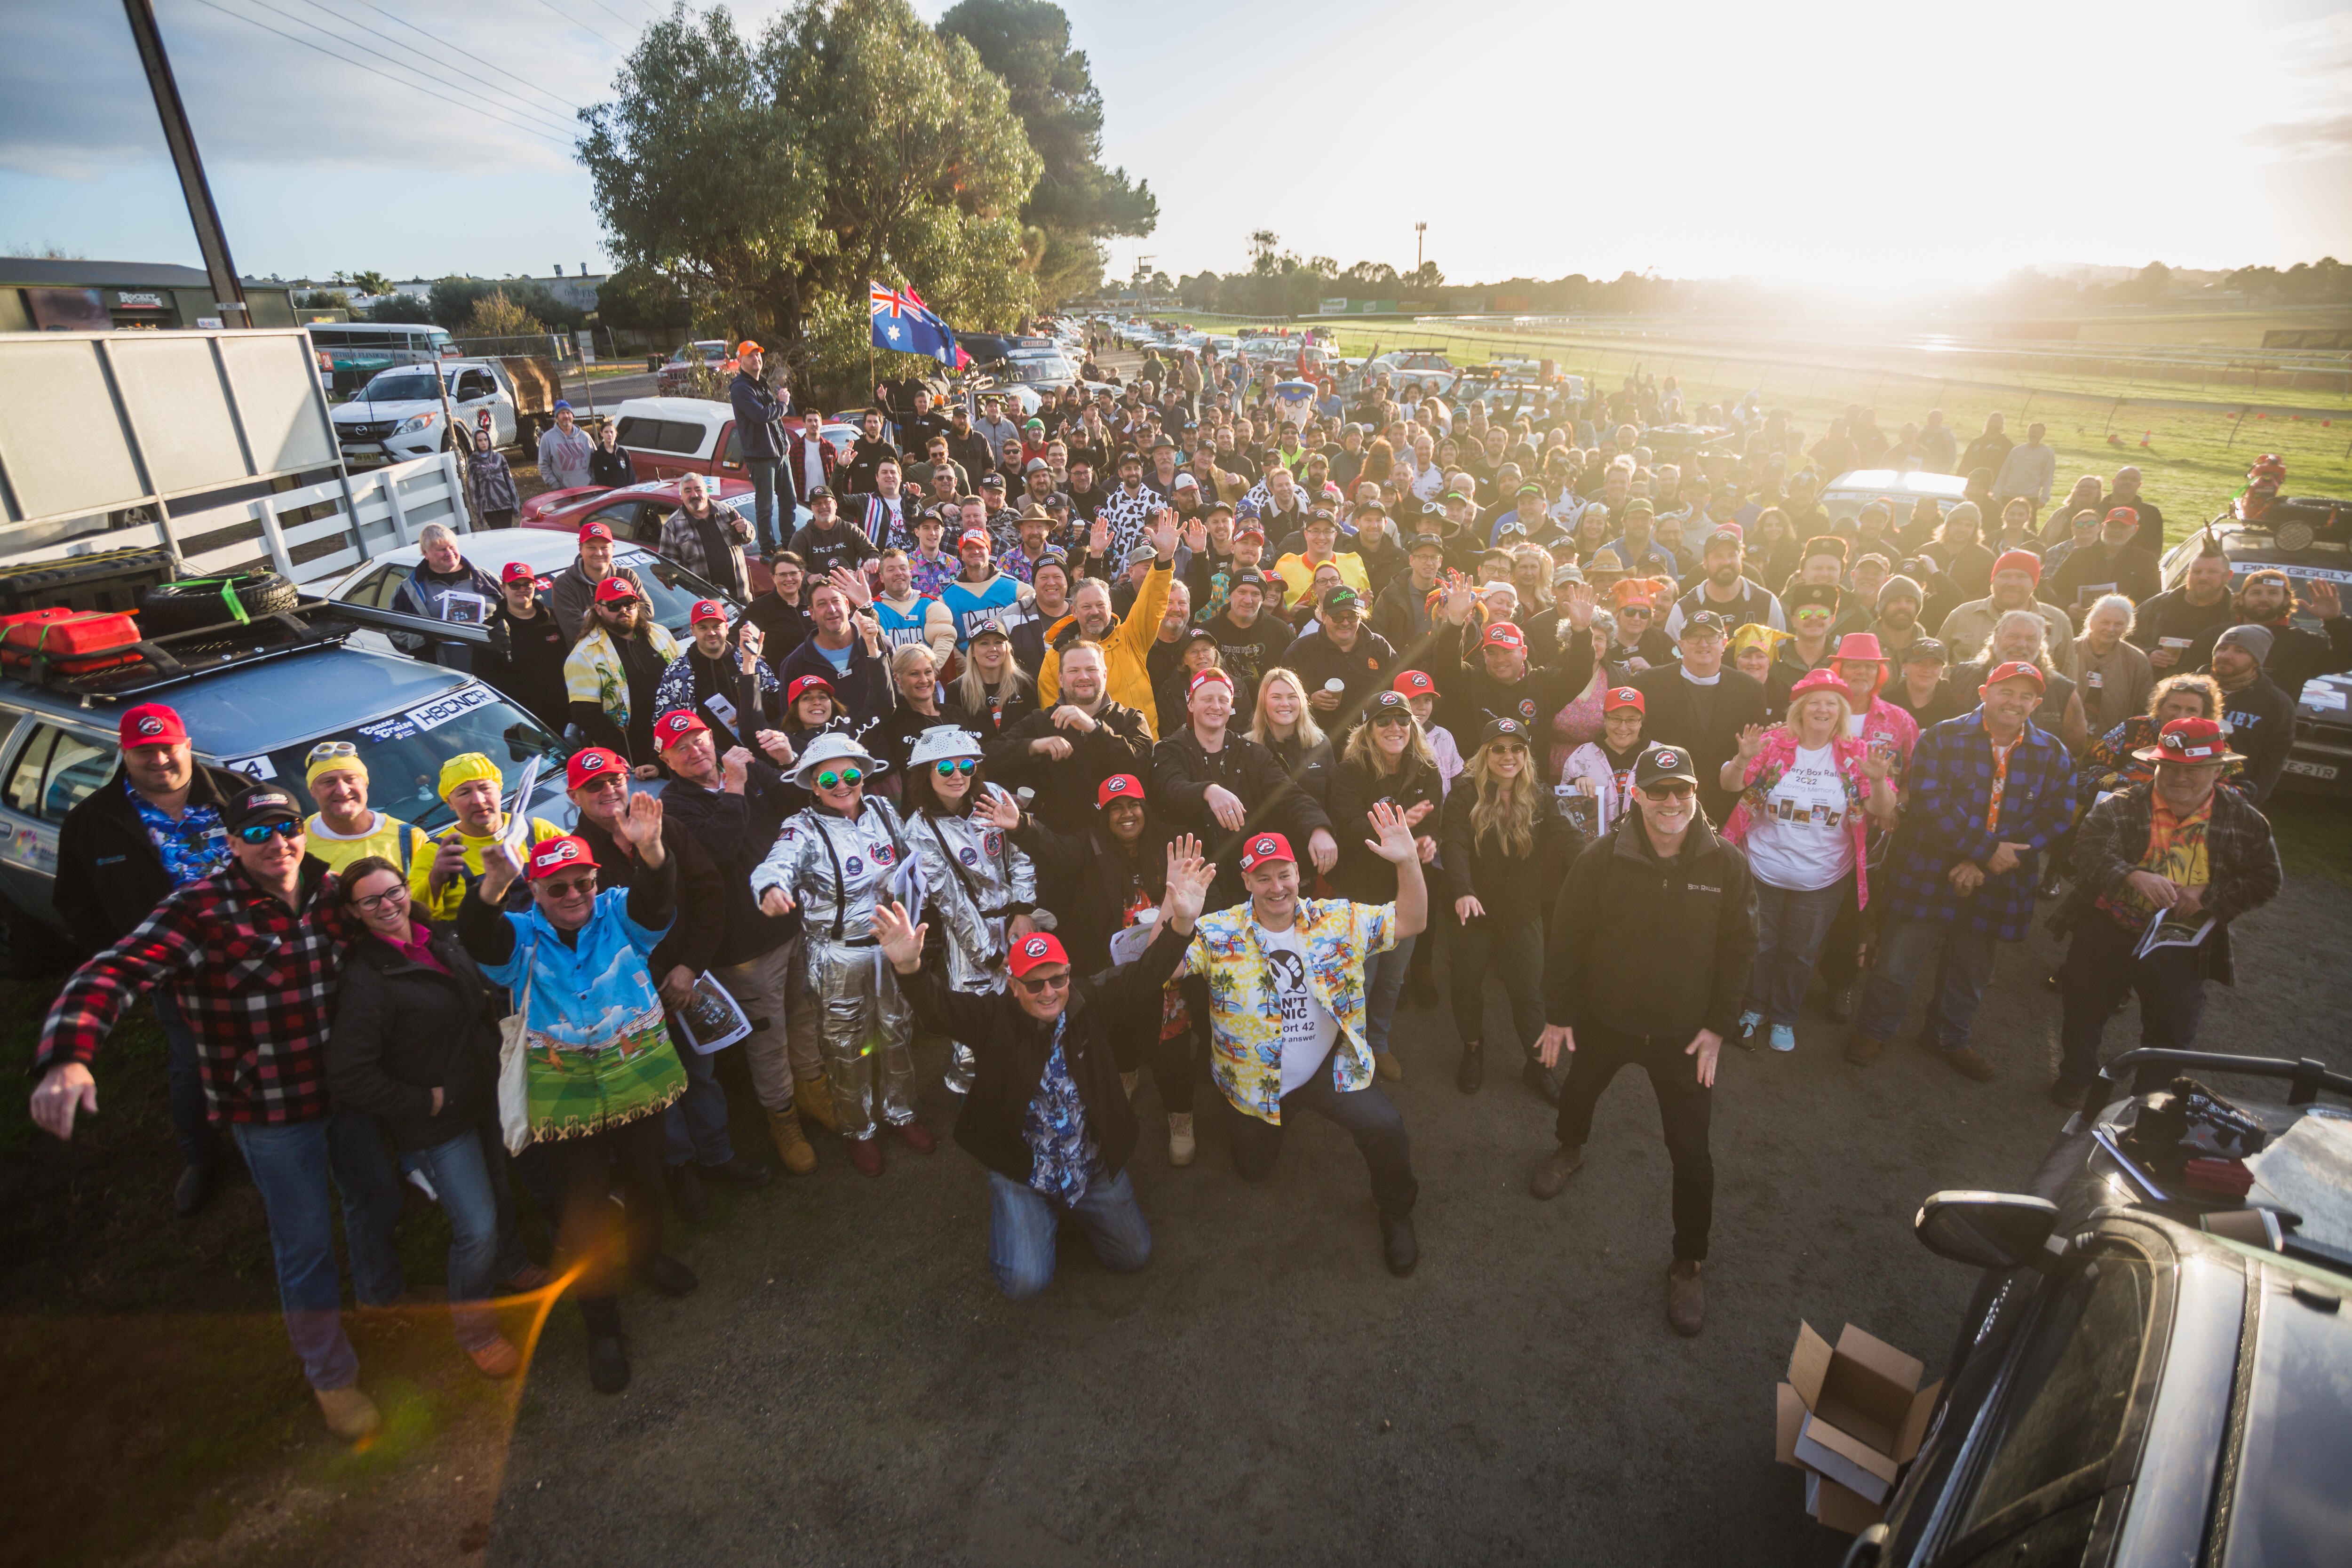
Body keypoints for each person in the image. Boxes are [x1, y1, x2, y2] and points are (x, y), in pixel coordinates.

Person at [33, 780, 403, 1438]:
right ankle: (330, 1375)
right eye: (257, 833)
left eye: (286, 827)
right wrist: (69, 1054)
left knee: (375, 1197)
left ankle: (382, 1303)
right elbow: (112, 972)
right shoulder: (199, 910)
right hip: (270, 1110)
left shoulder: (330, 890)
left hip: (350, 1095)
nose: (277, 843)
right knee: (306, 1245)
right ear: (231, 843)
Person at [877, 839, 1210, 1298]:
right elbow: (938, 1012)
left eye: (1057, 978)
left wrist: (1183, 920)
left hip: (1090, 1163)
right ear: (1014, 986)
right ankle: (1030, 1213)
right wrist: (910, 969)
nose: (1049, 991)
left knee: (1132, 1256)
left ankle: (1067, 1214)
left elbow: (1146, 973)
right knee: (1024, 1282)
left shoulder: (1090, 999)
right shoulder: (992, 1018)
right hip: (1023, 1172)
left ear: (1068, 974)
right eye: (1034, 983)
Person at [457, 805, 695, 1394]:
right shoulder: (517, 935)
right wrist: (492, 883)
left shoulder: (619, 913)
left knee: (646, 1179)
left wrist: (654, 851)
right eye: (557, 886)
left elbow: (657, 904)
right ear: (533, 889)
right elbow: (476, 935)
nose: (573, 895)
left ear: (598, 881)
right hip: (565, 1093)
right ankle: (602, 1327)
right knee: (582, 1210)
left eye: (583, 882)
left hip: (635, 1073)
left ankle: (645, 1258)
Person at [1533, 743, 1757, 1337]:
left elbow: (1739, 949)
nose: (1670, 802)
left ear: (1695, 795)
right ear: (1635, 795)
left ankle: (1688, 1262)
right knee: (1577, 1095)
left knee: (1691, 1153)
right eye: (1658, 791)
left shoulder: (1727, 865)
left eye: (1681, 790)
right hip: (1606, 1020)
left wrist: (1718, 1026)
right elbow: (1567, 938)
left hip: (1683, 1038)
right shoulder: (1599, 858)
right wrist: (1558, 1015)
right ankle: (1569, 1148)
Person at [1174, 805, 1430, 1275]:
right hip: (1255, 1086)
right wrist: (1177, 917)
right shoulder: (1217, 931)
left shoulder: (1337, 921)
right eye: (1263, 877)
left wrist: (1408, 862)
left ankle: (1396, 1213)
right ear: (1246, 881)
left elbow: (1410, 922)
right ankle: (1266, 1123)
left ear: (1300, 875)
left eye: (1285, 874)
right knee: (1252, 1171)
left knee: (1386, 1127)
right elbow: (1162, 969)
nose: (1277, 888)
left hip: (1326, 1071)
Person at [326, 856, 541, 1378]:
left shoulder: (437, 938)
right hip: (436, 1123)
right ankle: (475, 1330)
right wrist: (425, 1102)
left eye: (393, 891)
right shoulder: (366, 979)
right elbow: (350, 1073)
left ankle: (512, 1266)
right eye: (371, 901)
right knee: (476, 1226)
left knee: (499, 1190)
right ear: (353, 913)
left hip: (483, 1095)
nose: (388, 905)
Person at [52, 703, 249, 1213]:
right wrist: (128, 961)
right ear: (125, 754)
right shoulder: (93, 821)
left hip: (260, 954)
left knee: (274, 1046)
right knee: (191, 1067)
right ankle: (201, 1156)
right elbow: (76, 903)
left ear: (186, 745)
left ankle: (283, 1135)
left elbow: (288, 852)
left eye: (167, 747)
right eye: (145, 752)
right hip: (176, 976)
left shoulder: (236, 794)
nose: (159, 759)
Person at [563, 743, 767, 1216]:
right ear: (575, 796)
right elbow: (586, 935)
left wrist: (689, 968)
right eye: (594, 786)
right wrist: (654, 982)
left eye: (614, 779)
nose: (609, 791)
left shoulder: (663, 824)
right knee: (659, 1089)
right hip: (630, 998)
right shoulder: (575, 855)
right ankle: (681, 1170)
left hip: (687, 980)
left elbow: (707, 891)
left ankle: (718, 1155)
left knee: (702, 1075)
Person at [1845, 661, 2076, 1079]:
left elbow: (2056, 816)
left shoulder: (2052, 752)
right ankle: (1874, 1031)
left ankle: (1949, 1037)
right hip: (1931, 867)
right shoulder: (1942, 737)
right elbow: (1932, 803)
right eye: (2007, 691)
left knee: (1971, 972)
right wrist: (1986, 850)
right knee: (1896, 964)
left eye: (2026, 695)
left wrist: (1988, 859)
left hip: (2002, 876)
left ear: (2037, 703)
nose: (2015, 701)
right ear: (1985, 692)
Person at [2049, 717, 2282, 1107]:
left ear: (2217, 769)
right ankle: (2077, 1076)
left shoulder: (2244, 819)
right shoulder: (2123, 804)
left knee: (2172, 1028)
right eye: (2169, 766)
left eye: (2192, 770)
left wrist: (2209, 897)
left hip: (2182, 940)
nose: (2179, 777)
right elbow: (2084, 850)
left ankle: (2147, 1100)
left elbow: (2267, 879)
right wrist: (2131, 875)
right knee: (2084, 1007)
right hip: (2110, 925)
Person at [751, 733, 932, 1176]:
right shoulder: (803, 828)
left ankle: (902, 1111)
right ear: (812, 784)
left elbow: (917, 856)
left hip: (893, 948)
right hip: (838, 956)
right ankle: (860, 1130)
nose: (841, 784)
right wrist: (770, 888)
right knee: (846, 1048)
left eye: (851, 774)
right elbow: (776, 863)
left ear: (863, 776)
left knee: (897, 1032)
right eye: (828, 777)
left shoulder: (884, 811)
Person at [654, 709, 820, 1174]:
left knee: (804, 1014)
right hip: (743, 947)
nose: (694, 751)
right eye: (680, 747)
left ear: (711, 737)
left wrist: (788, 760)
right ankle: (782, 1117)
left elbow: (797, 805)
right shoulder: (673, 806)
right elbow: (717, 851)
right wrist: (734, 786)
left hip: (790, 923)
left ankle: (814, 1092)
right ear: (666, 759)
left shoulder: (744, 767)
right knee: (768, 1037)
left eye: (698, 739)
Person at [1718, 669, 1899, 1053]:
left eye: (1831, 703)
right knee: (1761, 943)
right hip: (1762, 867)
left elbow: (1882, 810)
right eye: (1814, 701)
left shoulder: (1858, 753)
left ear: (1841, 711)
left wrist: (1880, 781)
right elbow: (1730, 784)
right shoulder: (1772, 743)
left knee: (1800, 951)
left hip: (1823, 875)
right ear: (1800, 709)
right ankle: (1753, 1010)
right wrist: (1741, 758)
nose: (1822, 708)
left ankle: (1784, 1015)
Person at [1443, 716, 1581, 1099]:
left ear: (1526, 753)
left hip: (1523, 913)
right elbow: (1452, 844)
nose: (1508, 755)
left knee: (1529, 993)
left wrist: (1602, 874)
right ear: (1485, 753)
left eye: (1517, 748)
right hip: (1473, 912)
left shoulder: (1541, 794)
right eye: (1499, 748)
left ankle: (1537, 1066)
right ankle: (1473, 1049)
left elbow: (1572, 841)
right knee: (1467, 986)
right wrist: (1462, 890)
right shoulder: (1463, 795)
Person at [902, 726, 1040, 1097]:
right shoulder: (919, 829)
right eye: (945, 767)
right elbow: (950, 902)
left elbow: (1021, 853)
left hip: (1016, 920)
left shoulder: (993, 795)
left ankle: (1027, 1093)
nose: (957, 775)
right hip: (969, 937)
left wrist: (1024, 909)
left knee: (1028, 1011)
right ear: (925, 774)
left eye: (966, 765)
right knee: (973, 1026)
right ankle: (979, 1106)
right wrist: (990, 954)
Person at [1328, 692, 1444, 1082]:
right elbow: (1348, 827)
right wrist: (1400, 829)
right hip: (1361, 892)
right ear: (1368, 729)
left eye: (1402, 720)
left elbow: (1433, 823)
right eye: (1384, 721)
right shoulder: (1349, 772)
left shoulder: (1427, 769)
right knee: (1362, 977)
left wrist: (1428, 842)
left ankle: (1378, 1042)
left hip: (1404, 895)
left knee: (1393, 977)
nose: (1395, 728)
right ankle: (1348, 1045)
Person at [1039, 513, 1178, 731]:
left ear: (1110, 607)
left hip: (1140, 752)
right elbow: (1054, 717)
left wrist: (1165, 558)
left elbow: (1152, 601)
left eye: (1101, 605)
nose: (1095, 612)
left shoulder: (1132, 636)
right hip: (1088, 758)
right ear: (1074, 611)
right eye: (1086, 607)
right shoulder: (1055, 658)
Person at [1631, 611, 1770, 823]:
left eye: (1711, 637)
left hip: (1725, 802)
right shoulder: (1648, 683)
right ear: (1681, 644)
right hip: (1665, 799)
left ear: (1724, 643)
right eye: (1694, 637)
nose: (1703, 644)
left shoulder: (1751, 689)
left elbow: (1754, 753)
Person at [298, 741, 445, 910]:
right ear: (312, 790)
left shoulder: (410, 838)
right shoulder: (297, 844)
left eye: (350, 779)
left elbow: (430, 908)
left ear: (366, 784)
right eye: (328, 782)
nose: (342, 790)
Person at [2182, 568, 2351, 707]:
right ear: (2242, 599)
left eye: (2273, 593)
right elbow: (2185, 680)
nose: (2264, 598)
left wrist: (2335, 620)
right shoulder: (2213, 636)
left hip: (2265, 737)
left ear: (2286, 600)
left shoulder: (2304, 644)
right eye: (2256, 593)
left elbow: (2346, 659)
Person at [565, 575, 684, 772]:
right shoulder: (583, 655)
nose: (623, 610)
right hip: (634, 753)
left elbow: (685, 678)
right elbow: (586, 716)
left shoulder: (660, 633)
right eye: (614, 605)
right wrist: (625, 755)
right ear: (599, 609)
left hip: (677, 735)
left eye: (629, 603)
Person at [430, 752, 567, 904]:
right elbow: (420, 914)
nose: (479, 800)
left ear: (499, 790)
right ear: (450, 803)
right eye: (465, 793)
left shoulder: (539, 830)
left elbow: (584, 877)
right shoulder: (434, 854)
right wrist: (436, 880)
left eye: (485, 788)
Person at [652, 598, 782, 757]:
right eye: (703, 628)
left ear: (727, 628)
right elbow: (663, 721)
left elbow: (780, 698)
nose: (711, 633)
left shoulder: (748, 659)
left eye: (716, 627)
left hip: (760, 753)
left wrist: (748, 714)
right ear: (693, 630)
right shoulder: (678, 672)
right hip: (708, 761)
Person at [2080, 674, 2233, 801]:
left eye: (2192, 710)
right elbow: (2087, 771)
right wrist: (2116, 786)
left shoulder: (2213, 742)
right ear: (2159, 707)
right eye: (2175, 707)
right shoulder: (2133, 728)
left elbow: (2238, 788)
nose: (2181, 715)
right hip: (2121, 810)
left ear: (2205, 716)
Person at [775, 572, 892, 737]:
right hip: (828, 756)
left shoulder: (878, 645)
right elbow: (791, 724)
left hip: (883, 752)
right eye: (822, 604)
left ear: (846, 604)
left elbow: (898, 700)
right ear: (812, 613)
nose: (831, 609)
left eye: (836, 601)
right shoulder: (794, 664)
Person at [1938, 549, 2078, 678]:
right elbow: (1936, 660)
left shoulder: (2057, 620)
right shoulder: (1962, 615)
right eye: (2004, 576)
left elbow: (2069, 675)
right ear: (1992, 581)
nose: (2012, 583)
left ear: (2034, 584)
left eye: (2022, 577)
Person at [389, 523, 502, 671]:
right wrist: (431, 637)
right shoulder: (409, 590)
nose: (449, 553)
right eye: (442, 550)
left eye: (452, 547)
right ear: (426, 553)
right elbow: (394, 630)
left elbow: (513, 613)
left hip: (495, 668)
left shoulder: (488, 578)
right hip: (443, 674)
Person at [2205, 624, 2297, 804]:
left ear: (2256, 661)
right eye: (2222, 648)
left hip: (2234, 796)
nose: (2226, 656)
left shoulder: (2276, 703)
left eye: (2239, 651)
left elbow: (2274, 759)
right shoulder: (2192, 689)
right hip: (2179, 785)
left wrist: (2254, 798)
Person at [477, 561, 571, 732]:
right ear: (503, 587)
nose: (522, 590)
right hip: (523, 719)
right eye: (515, 585)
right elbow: (486, 677)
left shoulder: (556, 618)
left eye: (527, 584)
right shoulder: (491, 629)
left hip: (567, 712)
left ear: (535, 586)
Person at [1559, 684, 1653, 838]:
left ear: (1642, 721)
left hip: (1645, 847)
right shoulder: (1581, 756)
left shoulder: (1658, 755)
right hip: (1595, 850)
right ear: (1605, 719)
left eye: (1632, 720)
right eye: (1616, 719)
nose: (1623, 728)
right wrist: (1575, 787)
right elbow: (1563, 810)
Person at [1249, 667, 1338, 817]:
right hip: (1271, 839)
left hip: (1318, 837)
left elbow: (1336, 802)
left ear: (1302, 701)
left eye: (1292, 697)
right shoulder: (1249, 749)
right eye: (1276, 697)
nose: (1285, 703)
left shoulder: (1321, 744)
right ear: (1263, 703)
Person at [728, 342, 788, 556]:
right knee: (766, 506)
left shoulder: (761, 383)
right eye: (751, 356)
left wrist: (785, 442)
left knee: (789, 500)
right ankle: (768, 550)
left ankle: (789, 544)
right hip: (761, 456)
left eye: (758, 355)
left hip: (779, 452)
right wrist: (782, 405)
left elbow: (774, 421)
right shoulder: (740, 388)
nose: (757, 359)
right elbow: (761, 416)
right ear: (740, 361)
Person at [2045, 507, 2160, 619]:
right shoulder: (2078, 556)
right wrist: (2068, 606)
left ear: (2135, 530)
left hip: (2123, 630)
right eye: (2112, 526)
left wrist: (2128, 615)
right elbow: (2053, 589)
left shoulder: (2146, 561)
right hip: (2080, 629)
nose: (2116, 531)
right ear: (2103, 527)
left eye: (2123, 527)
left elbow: (2152, 600)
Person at [548, 520, 652, 641]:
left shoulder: (627, 576)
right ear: (581, 549)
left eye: (604, 548)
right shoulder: (564, 584)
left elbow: (648, 613)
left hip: (635, 650)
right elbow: (575, 630)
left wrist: (595, 621)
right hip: (593, 658)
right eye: (592, 548)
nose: (599, 553)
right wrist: (624, 623)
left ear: (613, 549)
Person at [658, 473, 754, 602]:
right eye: (688, 491)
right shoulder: (673, 525)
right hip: (704, 601)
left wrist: (746, 528)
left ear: (707, 492)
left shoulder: (725, 510)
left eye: (698, 490)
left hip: (741, 594)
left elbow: (749, 537)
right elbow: (667, 562)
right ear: (681, 496)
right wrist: (686, 580)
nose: (694, 495)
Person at [2072, 594, 2154, 739]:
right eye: (2105, 622)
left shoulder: (2137, 660)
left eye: (2119, 624)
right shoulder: (2068, 650)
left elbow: (2145, 707)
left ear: (2127, 627)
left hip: (2114, 742)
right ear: (2092, 622)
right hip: (2067, 737)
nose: (2111, 629)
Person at [788, 487, 883, 582]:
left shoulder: (850, 530)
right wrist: (808, 577)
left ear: (836, 504)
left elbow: (873, 553)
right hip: (815, 594)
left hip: (849, 591)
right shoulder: (801, 537)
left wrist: (867, 566)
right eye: (817, 504)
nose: (823, 507)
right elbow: (792, 566)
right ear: (812, 508)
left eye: (827, 502)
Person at [743, 549, 814, 660]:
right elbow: (734, 638)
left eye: (793, 573)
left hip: (817, 672)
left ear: (802, 574)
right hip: (781, 674)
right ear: (773, 578)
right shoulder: (759, 608)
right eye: (783, 575)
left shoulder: (813, 602)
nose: (789, 579)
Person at [1884, 637, 1965, 728]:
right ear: (1904, 667)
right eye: (1920, 663)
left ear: (1942, 670)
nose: (1927, 670)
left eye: (1935, 664)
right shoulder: (1885, 705)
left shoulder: (1956, 712)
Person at [1990, 420, 2054, 519]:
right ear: (2028, 433)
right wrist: (1997, 492)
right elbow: (2004, 472)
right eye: (2032, 432)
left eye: (2038, 433)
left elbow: (2048, 477)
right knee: (2002, 522)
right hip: (2008, 495)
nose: (2034, 435)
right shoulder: (2016, 451)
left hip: (2030, 497)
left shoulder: (2047, 453)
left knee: (2029, 525)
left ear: (2043, 434)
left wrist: (2044, 499)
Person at [467, 428, 519, 528]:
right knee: (497, 533)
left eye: (486, 440)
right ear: (475, 442)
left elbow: (509, 481)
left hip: (504, 502)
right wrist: (479, 511)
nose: (484, 443)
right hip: (488, 507)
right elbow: (474, 488)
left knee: (507, 532)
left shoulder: (499, 457)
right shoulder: (472, 461)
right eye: (480, 440)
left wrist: (515, 502)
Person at [537, 401, 592, 491]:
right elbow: (544, 465)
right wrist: (555, 485)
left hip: (588, 489)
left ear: (573, 416)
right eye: (562, 413)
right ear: (557, 417)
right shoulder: (548, 438)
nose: (566, 416)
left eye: (568, 413)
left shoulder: (585, 437)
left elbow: (595, 461)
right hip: (563, 491)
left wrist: (592, 480)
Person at [589, 419, 636, 491]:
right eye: (606, 432)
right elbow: (599, 478)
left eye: (612, 432)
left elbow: (631, 476)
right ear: (601, 434)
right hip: (610, 495)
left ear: (616, 434)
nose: (610, 435)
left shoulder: (623, 453)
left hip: (625, 493)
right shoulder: (597, 455)